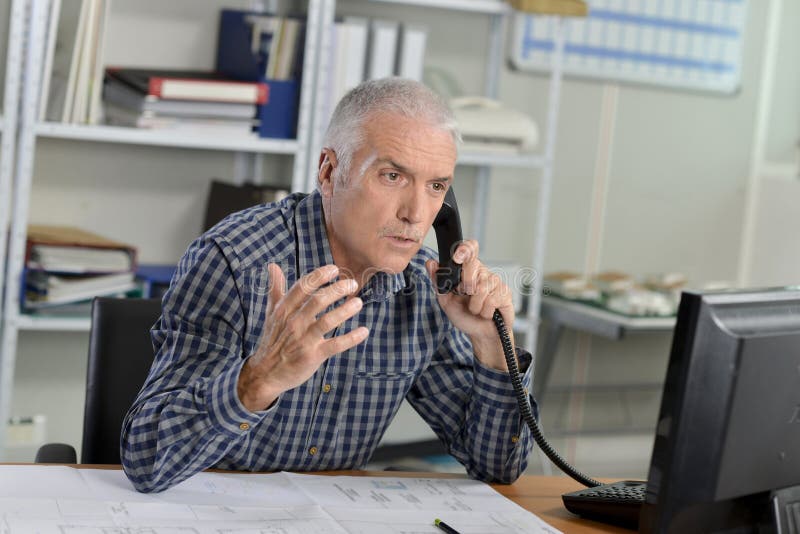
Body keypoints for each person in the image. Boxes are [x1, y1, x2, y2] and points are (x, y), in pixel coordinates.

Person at [121, 78, 536, 493]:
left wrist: (493, 350)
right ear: (329, 171)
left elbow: (497, 465)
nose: (416, 214)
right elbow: (147, 459)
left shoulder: (428, 287)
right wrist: (258, 380)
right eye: (392, 176)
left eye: (436, 187)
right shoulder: (234, 260)